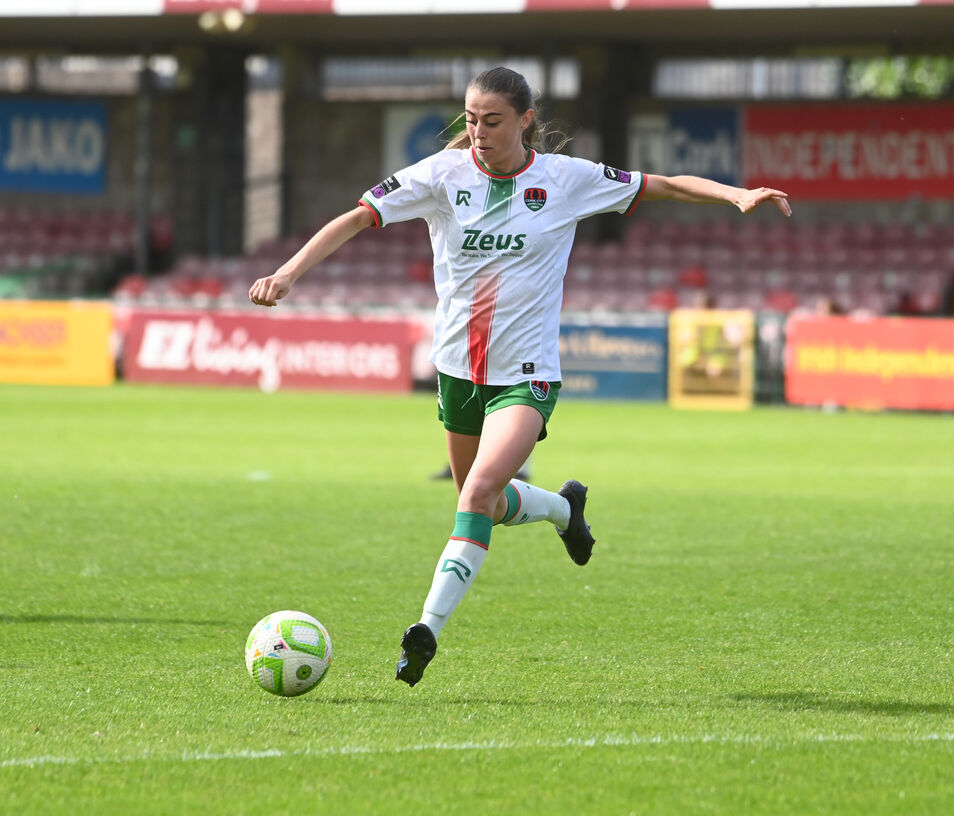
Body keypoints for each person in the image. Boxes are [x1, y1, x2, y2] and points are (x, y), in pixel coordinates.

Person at [249, 66, 791, 685]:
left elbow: (663, 184)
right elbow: (355, 218)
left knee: (477, 495)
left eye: (492, 120)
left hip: (527, 374)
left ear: (526, 119)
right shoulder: (439, 176)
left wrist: (736, 194)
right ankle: (564, 510)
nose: (477, 131)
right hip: (458, 371)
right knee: (479, 503)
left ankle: (426, 630)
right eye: (471, 119)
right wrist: (289, 272)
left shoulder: (565, 180)